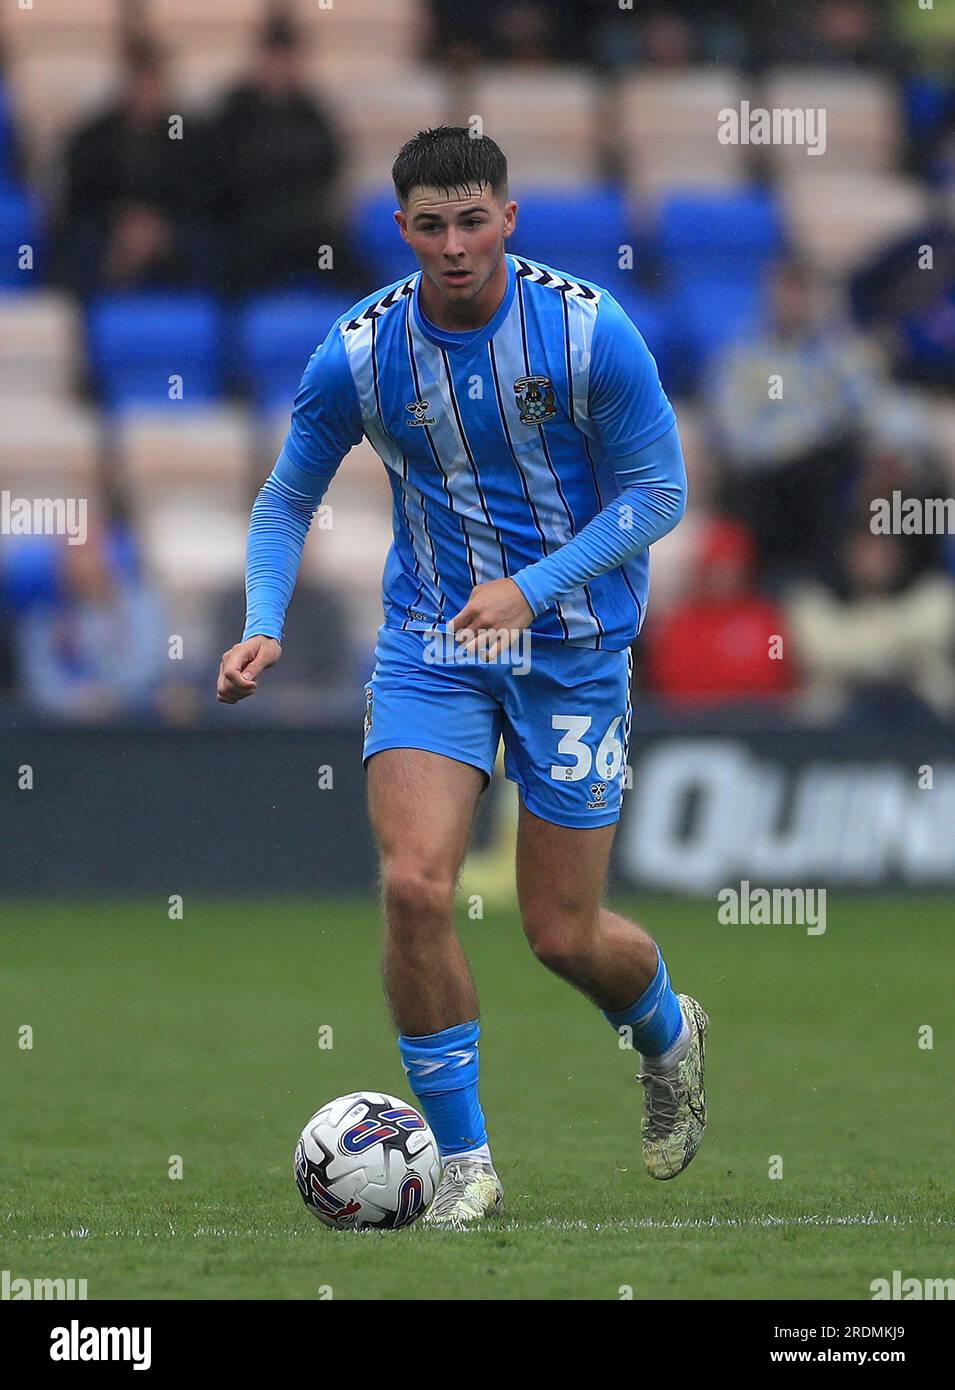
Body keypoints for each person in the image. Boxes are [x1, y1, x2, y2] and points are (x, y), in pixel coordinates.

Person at [217, 127, 706, 1226]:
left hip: (572, 650)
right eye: (430, 225)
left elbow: (656, 494)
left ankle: (669, 1032)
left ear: (509, 219)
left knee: (561, 933)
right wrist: (262, 622)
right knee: (413, 885)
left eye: (473, 219)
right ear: (402, 231)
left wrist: (533, 587)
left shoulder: (587, 333)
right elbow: (288, 495)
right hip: (433, 645)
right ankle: (464, 1158)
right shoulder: (360, 350)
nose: (453, 245)